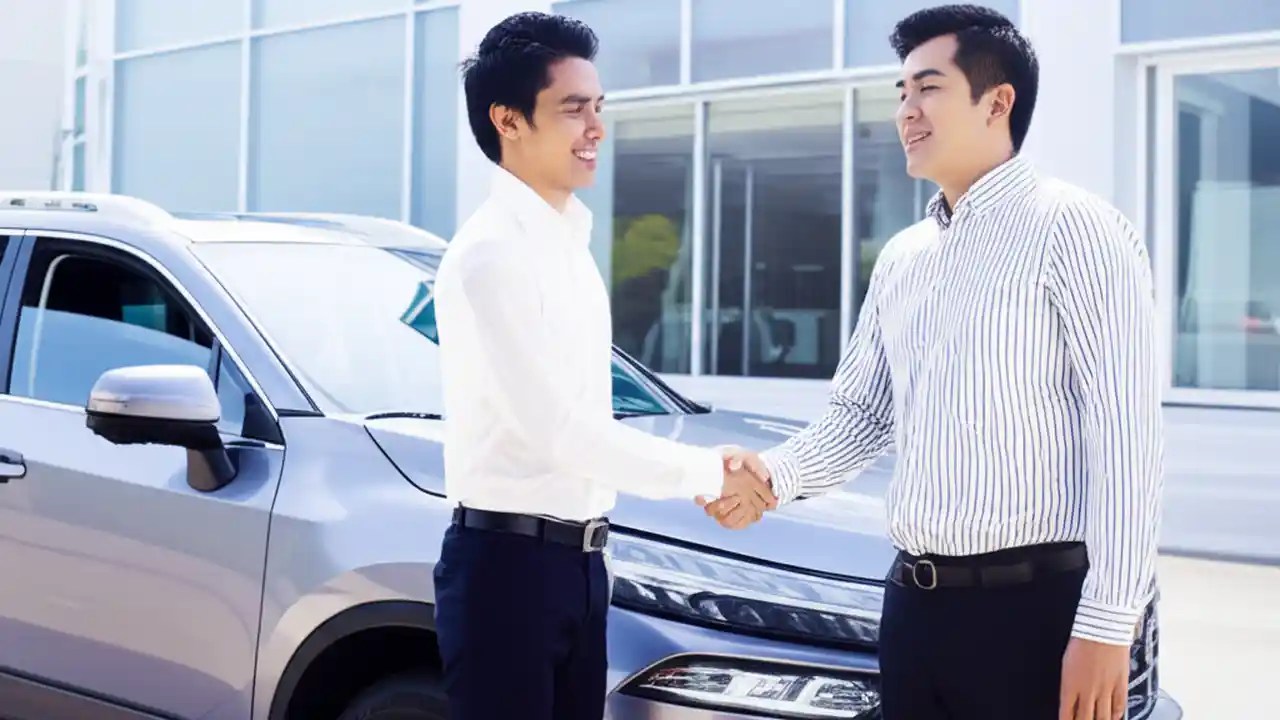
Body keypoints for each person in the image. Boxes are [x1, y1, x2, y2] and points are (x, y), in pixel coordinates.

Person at [706, 5, 1164, 720]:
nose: (907, 111)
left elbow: (1127, 436)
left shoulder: (1075, 229)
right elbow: (862, 413)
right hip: (913, 610)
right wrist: (776, 477)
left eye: (929, 88)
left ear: (998, 102)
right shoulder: (904, 256)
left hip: (1035, 614)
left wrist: (1108, 621)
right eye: (901, 93)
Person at [430, 11, 776, 720]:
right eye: (572, 109)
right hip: (506, 571)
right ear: (509, 120)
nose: (596, 128)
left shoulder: (572, 249)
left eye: (598, 107)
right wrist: (712, 473)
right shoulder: (489, 255)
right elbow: (561, 433)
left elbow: (590, 423)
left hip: (582, 566)